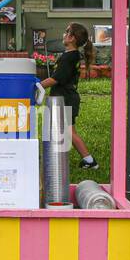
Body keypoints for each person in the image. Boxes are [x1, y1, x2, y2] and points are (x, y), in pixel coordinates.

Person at [41, 22, 97, 170]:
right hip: (66, 97)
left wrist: (37, 86)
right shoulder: (70, 56)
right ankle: (87, 160)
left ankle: (89, 160)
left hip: (65, 98)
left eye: (66, 33)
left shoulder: (69, 57)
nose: (63, 35)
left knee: (68, 132)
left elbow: (56, 78)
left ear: (72, 38)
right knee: (67, 131)